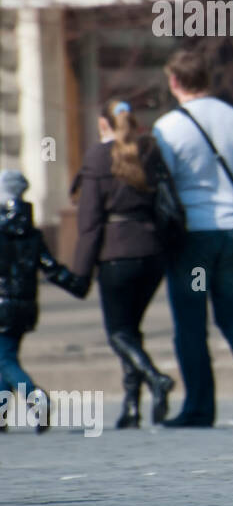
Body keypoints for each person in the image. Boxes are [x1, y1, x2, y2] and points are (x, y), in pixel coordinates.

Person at [152, 50, 233, 426]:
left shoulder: (167, 128)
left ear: (174, 81)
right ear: (208, 78)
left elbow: (165, 189)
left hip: (194, 236)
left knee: (191, 322)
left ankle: (199, 407)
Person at [71, 100, 176, 428]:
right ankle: (131, 407)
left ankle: (156, 378)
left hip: (116, 255)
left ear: (104, 124)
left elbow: (89, 223)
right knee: (131, 331)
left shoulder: (96, 157)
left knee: (118, 333)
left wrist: (80, 273)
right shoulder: (150, 150)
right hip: (152, 253)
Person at [0, 171, 87, 433]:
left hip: (2, 306)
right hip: (25, 306)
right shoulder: (33, 234)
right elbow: (51, 268)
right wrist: (76, 284)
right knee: (5, 357)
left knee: (5, 360)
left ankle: (39, 400)